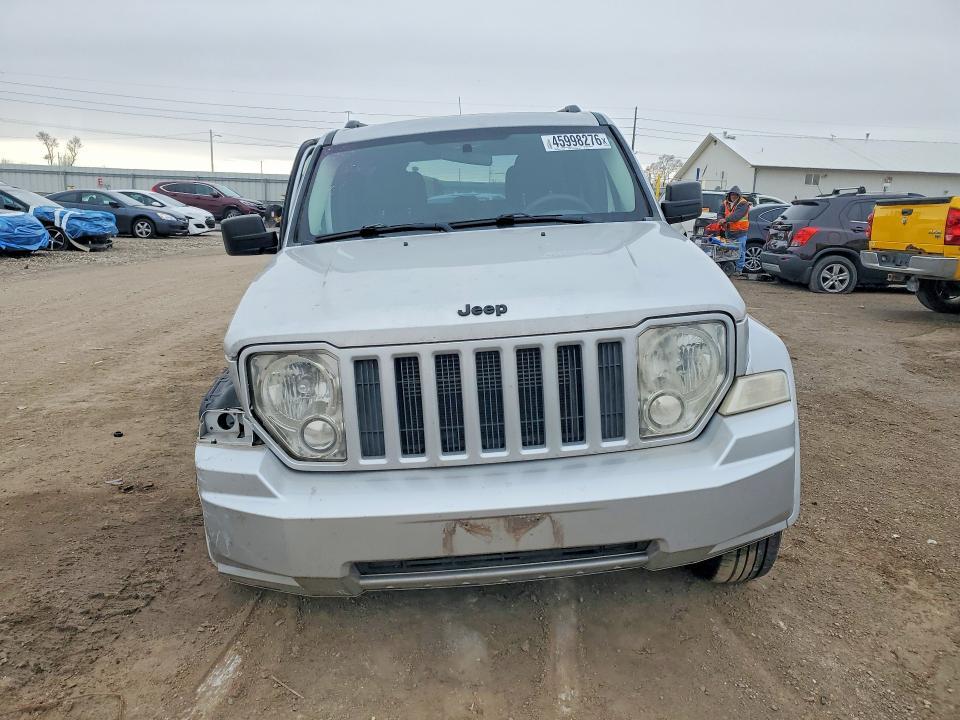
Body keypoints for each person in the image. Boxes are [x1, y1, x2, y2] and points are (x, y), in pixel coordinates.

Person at [719, 186, 751, 273]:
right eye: (732, 194)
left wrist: (724, 220)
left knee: (739, 251)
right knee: (729, 251)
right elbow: (720, 213)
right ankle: (730, 268)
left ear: (738, 195)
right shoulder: (725, 203)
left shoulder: (743, 203)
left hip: (740, 232)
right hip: (729, 232)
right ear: (729, 195)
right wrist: (720, 219)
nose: (733, 196)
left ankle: (739, 270)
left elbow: (736, 216)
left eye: (735, 195)